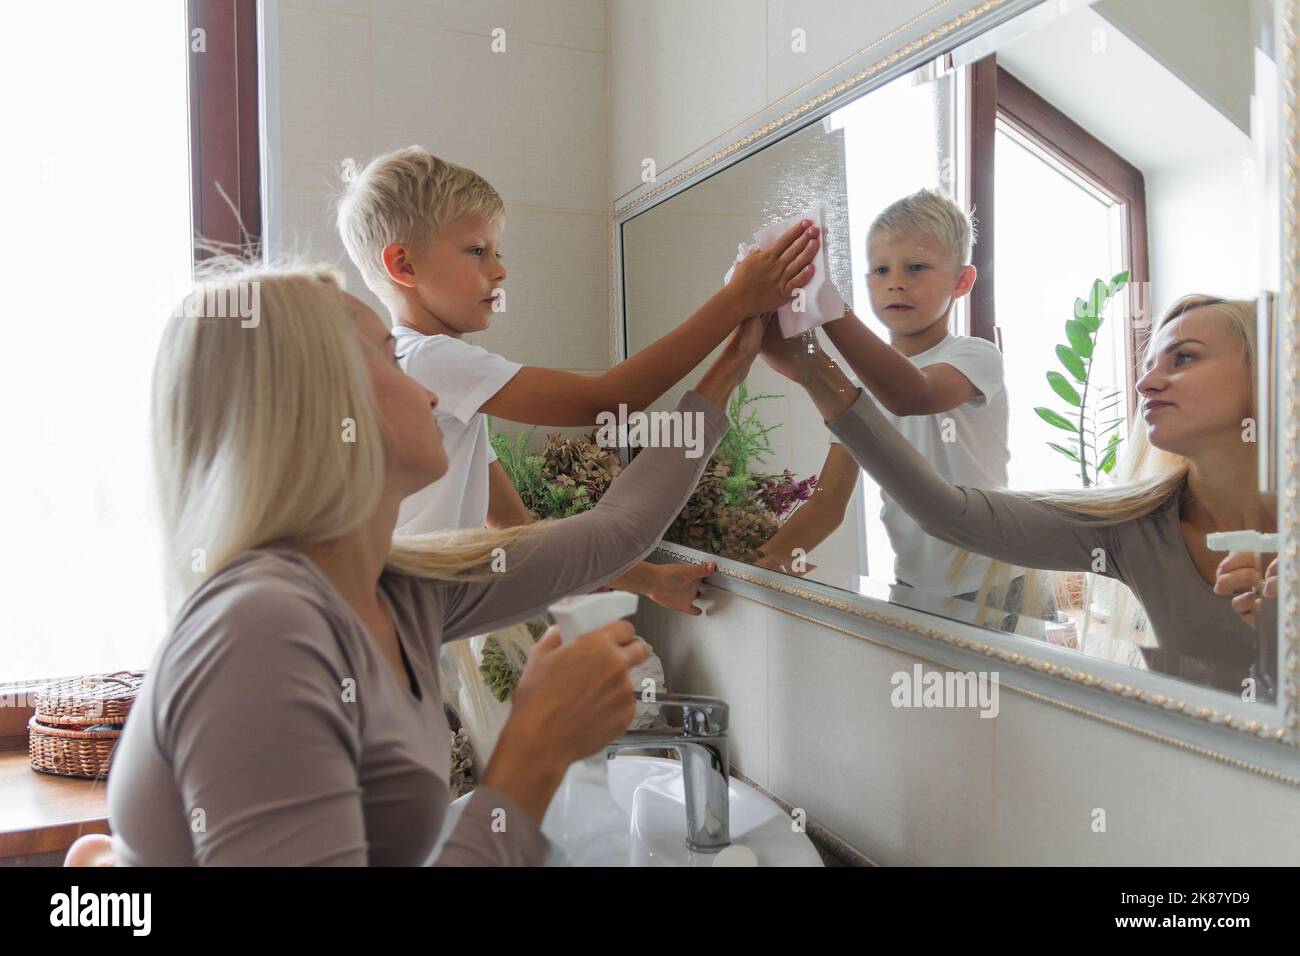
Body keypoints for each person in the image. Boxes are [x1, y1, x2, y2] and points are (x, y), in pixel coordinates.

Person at [104, 261, 779, 865]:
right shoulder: (261, 629)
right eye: (390, 360)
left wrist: (732, 366)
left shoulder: (398, 592)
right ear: (317, 402)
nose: (427, 395)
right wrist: (533, 754)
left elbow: (615, 532)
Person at [761, 295, 1276, 695]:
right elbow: (948, 514)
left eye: (1183, 358)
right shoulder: (1132, 528)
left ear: (1270, 378)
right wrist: (813, 369)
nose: (1147, 384)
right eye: (1150, 366)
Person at [818, 188, 1010, 601]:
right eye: (881, 270)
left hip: (995, 581)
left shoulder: (975, 355)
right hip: (911, 586)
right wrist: (765, 560)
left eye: (917, 267)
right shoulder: (864, 380)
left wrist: (826, 306)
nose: (896, 284)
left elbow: (912, 396)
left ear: (962, 281)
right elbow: (826, 503)